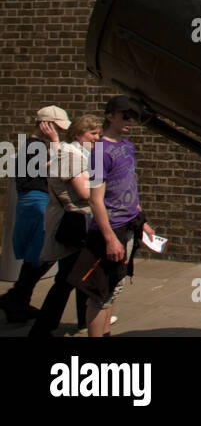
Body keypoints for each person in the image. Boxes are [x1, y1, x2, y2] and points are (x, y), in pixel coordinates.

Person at [83, 95, 153, 337]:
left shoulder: (127, 146)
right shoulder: (100, 151)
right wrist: (109, 237)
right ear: (109, 116)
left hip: (128, 224)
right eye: (125, 115)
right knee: (100, 294)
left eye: (131, 115)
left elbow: (130, 185)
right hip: (111, 228)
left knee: (116, 288)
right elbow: (95, 198)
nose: (129, 120)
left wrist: (142, 220)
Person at [28, 114, 100, 337]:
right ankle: (42, 329)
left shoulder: (77, 153)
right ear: (78, 134)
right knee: (67, 279)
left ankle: (83, 320)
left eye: (98, 133)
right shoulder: (72, 156)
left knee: (79, 275)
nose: (97, 138)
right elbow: (84, 192)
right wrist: (105, 189)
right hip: (74, 222)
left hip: (78, 221)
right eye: (93, 134)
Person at [0, 105, 70, 323]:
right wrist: (56, 141)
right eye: (56, 127)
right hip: (37, 204)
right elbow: (59, 165)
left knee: (38, 256)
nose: (59, 131)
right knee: (41, 256)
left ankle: (18, 299)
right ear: (45, 125)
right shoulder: (34, 146)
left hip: (33, 203)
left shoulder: (33, 147)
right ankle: (15, 298)